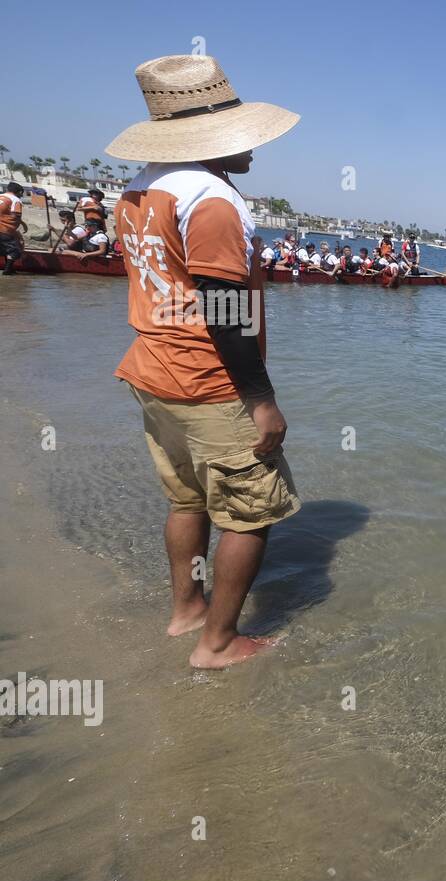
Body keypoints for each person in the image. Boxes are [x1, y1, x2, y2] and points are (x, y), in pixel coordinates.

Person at [105, 54, 301, 669]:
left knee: (187, 501)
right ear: (212, 136)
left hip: (152, 369)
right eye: (240, 134)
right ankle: (217, 642)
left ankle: (187, 608)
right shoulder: (214, 201)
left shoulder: (141, 187)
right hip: (209, 382)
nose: (251, 149)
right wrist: (262, 401)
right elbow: (223, 310)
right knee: (250, 513)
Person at [0, 181, 27, 273]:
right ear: (19, 192)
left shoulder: (1, 197)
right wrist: (23, 224)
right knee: (14, 251)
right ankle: (7, 271)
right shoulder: (15, 200)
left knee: (4, 248)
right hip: (5, 229)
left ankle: (10, 269)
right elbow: (16, 216)